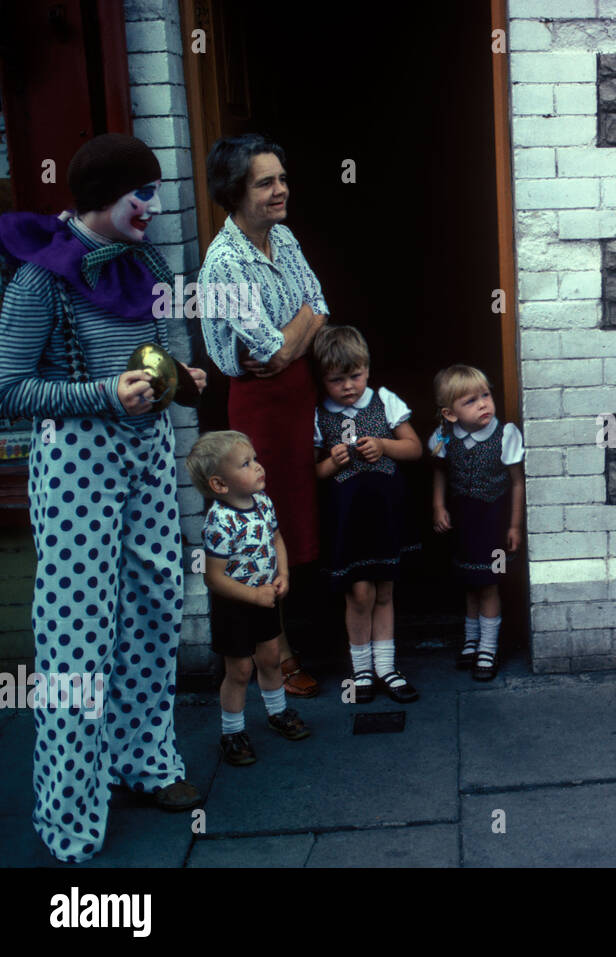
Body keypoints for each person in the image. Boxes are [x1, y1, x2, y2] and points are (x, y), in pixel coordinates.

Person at [0, 133, 206, 861]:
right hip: (77, 458)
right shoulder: (39, 280)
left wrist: (175, 371)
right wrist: (102, 393)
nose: (153, 205)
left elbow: (143, 354)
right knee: (76, 637)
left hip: (147, 453)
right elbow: (10, 388)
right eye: (141, 194)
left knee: (154, 605)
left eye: (154, 191)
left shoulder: (143, 262)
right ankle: (68, 812)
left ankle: (146, 761)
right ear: (102, 199)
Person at [198, 133, 328, 698]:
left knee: (300, 516)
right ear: (234, 191)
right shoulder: (224, 263)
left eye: (282, 178)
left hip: (297, 396)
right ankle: (278, 654)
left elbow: (319, 308)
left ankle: (294, 641)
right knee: (259, 523)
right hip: (257, 409)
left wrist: (292, 334)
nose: (281, 191)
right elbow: (269, 354)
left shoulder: (285, 236)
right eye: (265, 182)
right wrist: (296, 332)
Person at [312, 326, 423, 702]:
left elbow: (414, 449)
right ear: (322, 379)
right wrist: (331, 462)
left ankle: (387, 669)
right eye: (337, 379)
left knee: (385, 590)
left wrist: (383, 445)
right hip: (349, 520)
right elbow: (311, 474)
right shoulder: (317, 414)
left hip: (384, 513)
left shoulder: (384, 401)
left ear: (368, 370)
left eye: (355, 375)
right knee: (359, 592)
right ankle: (361, 673)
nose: (348, 386)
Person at [187, 431, 312, 764]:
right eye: (246, 464)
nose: (258, 467)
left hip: (265, 598)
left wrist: (282, 574)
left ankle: (277, 712)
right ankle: (232, 732)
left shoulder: (263, 502)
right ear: (220, 485)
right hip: (235, 606)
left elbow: (277, 540)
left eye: (255, 459)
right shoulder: (219, 522)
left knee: (270, 657)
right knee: (240, 669)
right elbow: (213, 578)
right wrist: (253, 596)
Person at [429, 365, 524, 681]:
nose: (484, 404)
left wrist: (514, 526)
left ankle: (488, 646)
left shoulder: (504, 434)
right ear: (450, 413)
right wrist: (438, 505)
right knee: (470, 582)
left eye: (485, 395)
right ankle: (471, 641)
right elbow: (440, 471)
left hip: (493, 522)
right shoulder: (445, 435)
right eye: (471, 401)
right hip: (464, 520)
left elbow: (516, 482)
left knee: (489, 584)